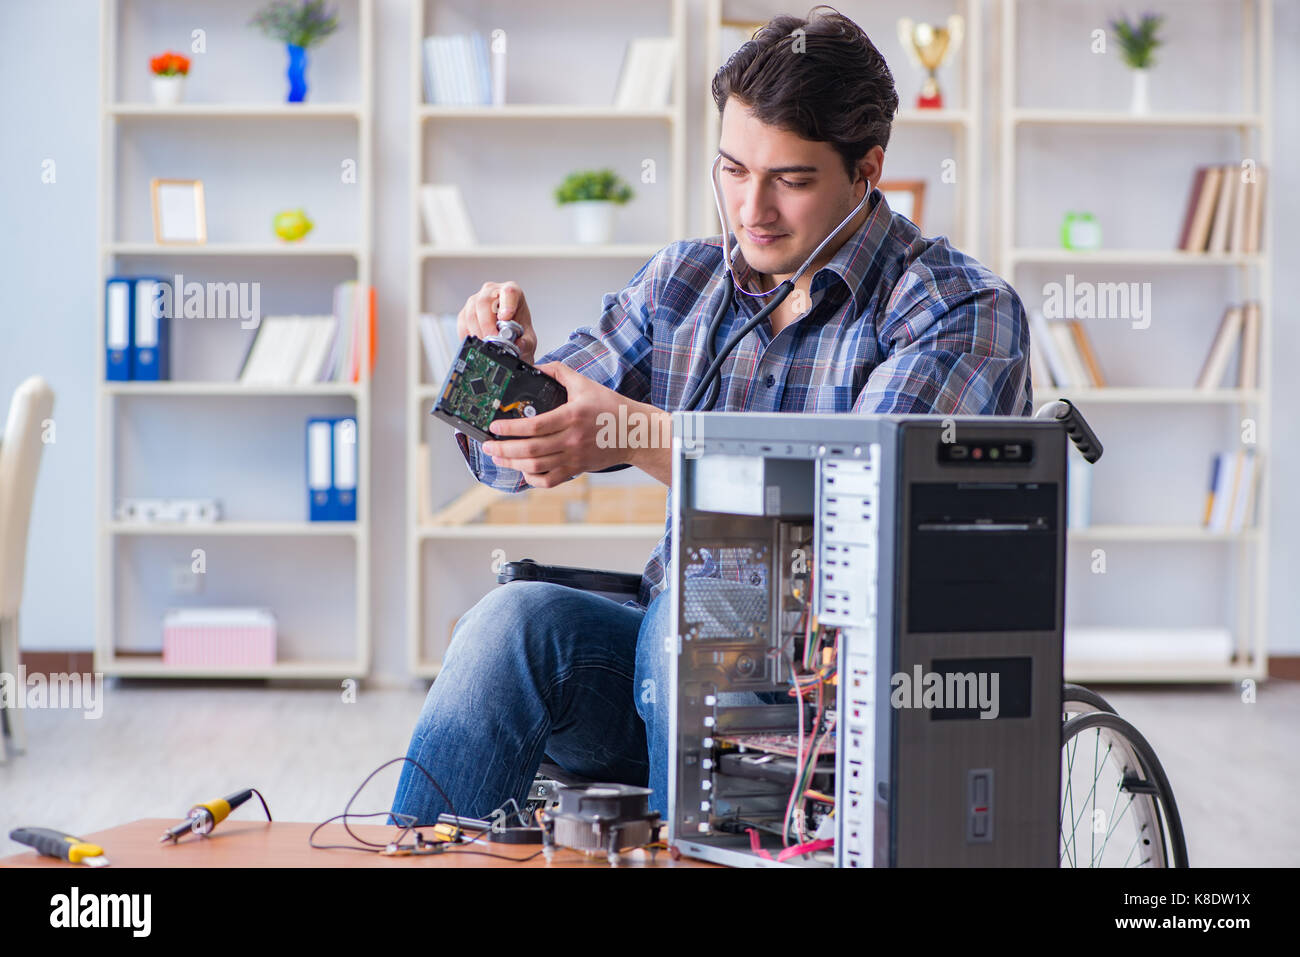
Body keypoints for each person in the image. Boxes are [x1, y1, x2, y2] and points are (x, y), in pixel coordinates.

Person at [391, 5, 1032, 825]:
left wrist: (632, 432)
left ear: (868, 169)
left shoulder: (958, 310)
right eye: (732, 169)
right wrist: (506, 372)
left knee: (696, 622)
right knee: (507, 626)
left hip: (854, 701)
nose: (750, 209)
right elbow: (502, 463)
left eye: (790, 180)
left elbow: (860, 504)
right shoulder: (683, 284)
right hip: (666, 677)